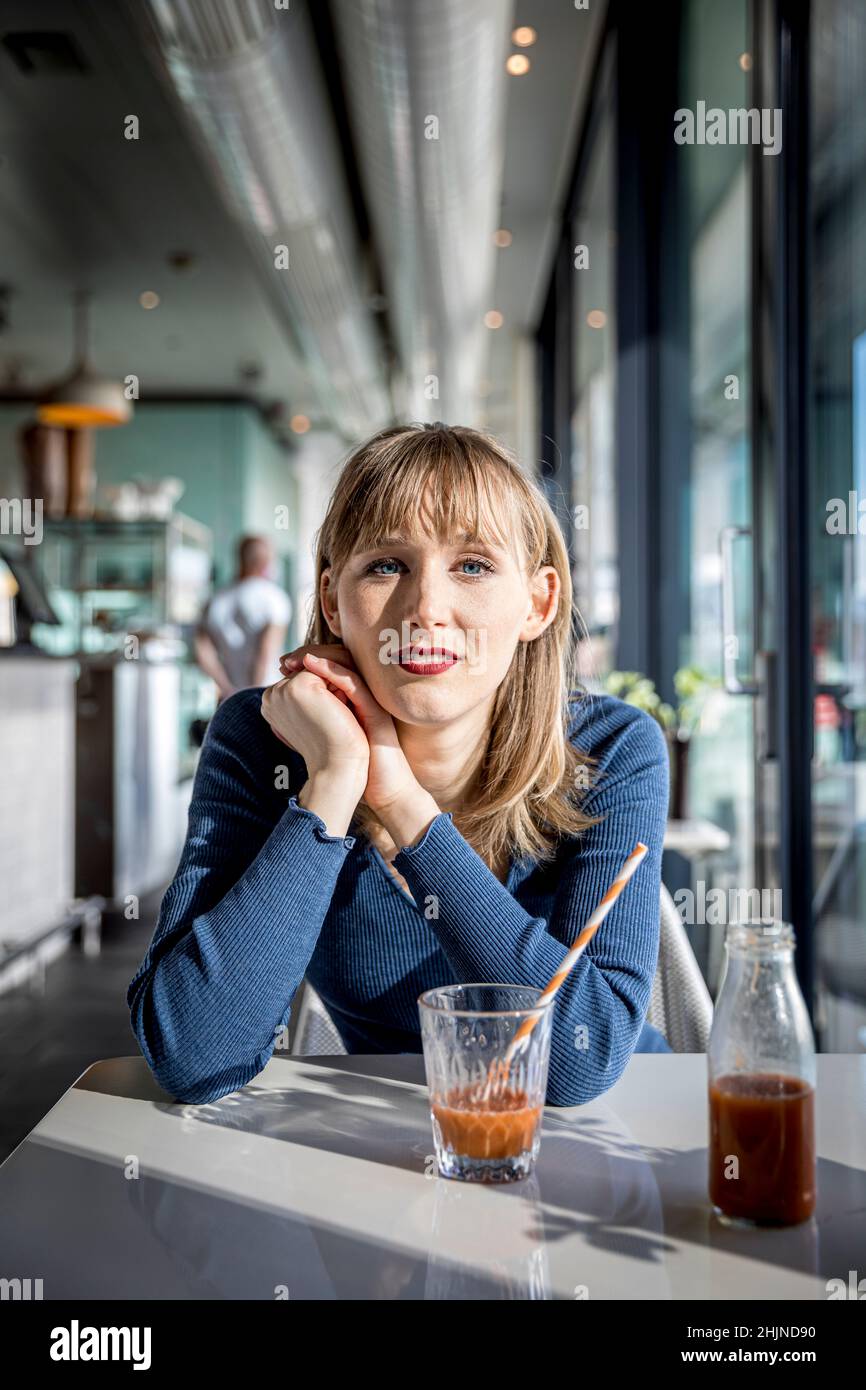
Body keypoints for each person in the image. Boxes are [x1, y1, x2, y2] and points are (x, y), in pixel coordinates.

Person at [128, 423, 671, 1108]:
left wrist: (398, 796)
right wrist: (332, 780)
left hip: (622, 1144)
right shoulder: (265, 742)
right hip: (397, 1158)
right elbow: (191, 1054)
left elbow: (574, 1065)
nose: (425, 610)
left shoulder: (609, 749)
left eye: (472, 565)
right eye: (387, 565)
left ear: (538, 602)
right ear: (332, 599)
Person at [194, 535, 291, 701]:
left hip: (228, 698)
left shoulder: (215, 600)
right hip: (265, 697)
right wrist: (251, 696)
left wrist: (226, 688)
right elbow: (265, 652)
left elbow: (202, 651)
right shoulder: (274, 598)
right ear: (266, 561)